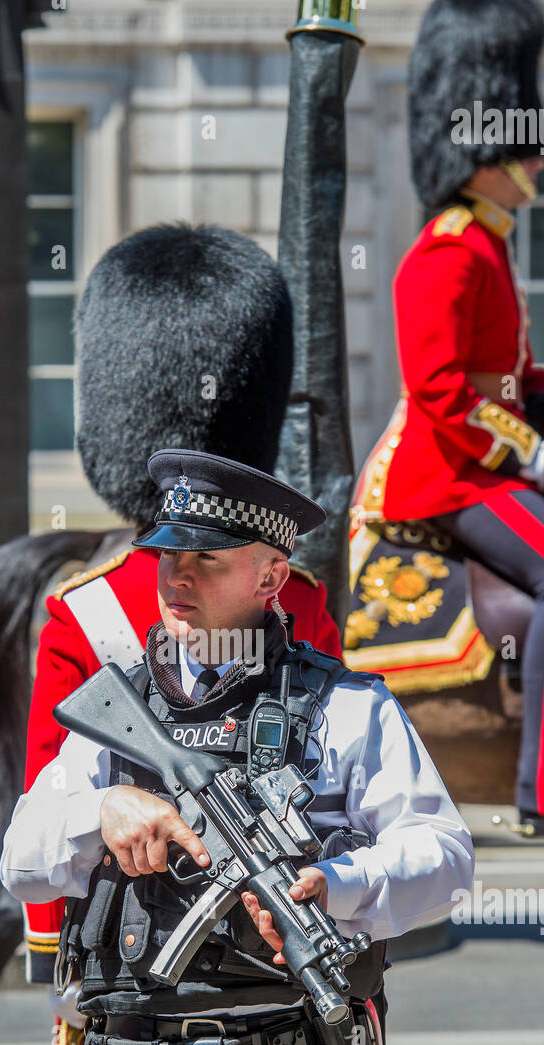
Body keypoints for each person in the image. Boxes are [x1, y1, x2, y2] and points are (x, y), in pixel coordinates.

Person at [1, 449, 474, 1045]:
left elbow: (443, 856)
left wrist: (340, 882)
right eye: (167, 560)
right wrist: (97, 815)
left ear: (270, 576)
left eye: (205, 563)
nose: (175, 581)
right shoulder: (117, 718)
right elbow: (20, 860)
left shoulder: (345, 709)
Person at [23, 224, 340, 987]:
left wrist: (51, 956)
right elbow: (44, 800)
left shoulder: (84, 611)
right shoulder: (295, 600)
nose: (180, 580)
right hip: (139, 940)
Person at [353, 0, 544, 837]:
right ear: (479, 154)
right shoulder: (444, 251)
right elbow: (441, 390)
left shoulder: (488, 242)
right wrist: (530, 448)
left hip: (482, 462)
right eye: (524, 151)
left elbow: (510, 372)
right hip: (447, 475)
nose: (538, 164)